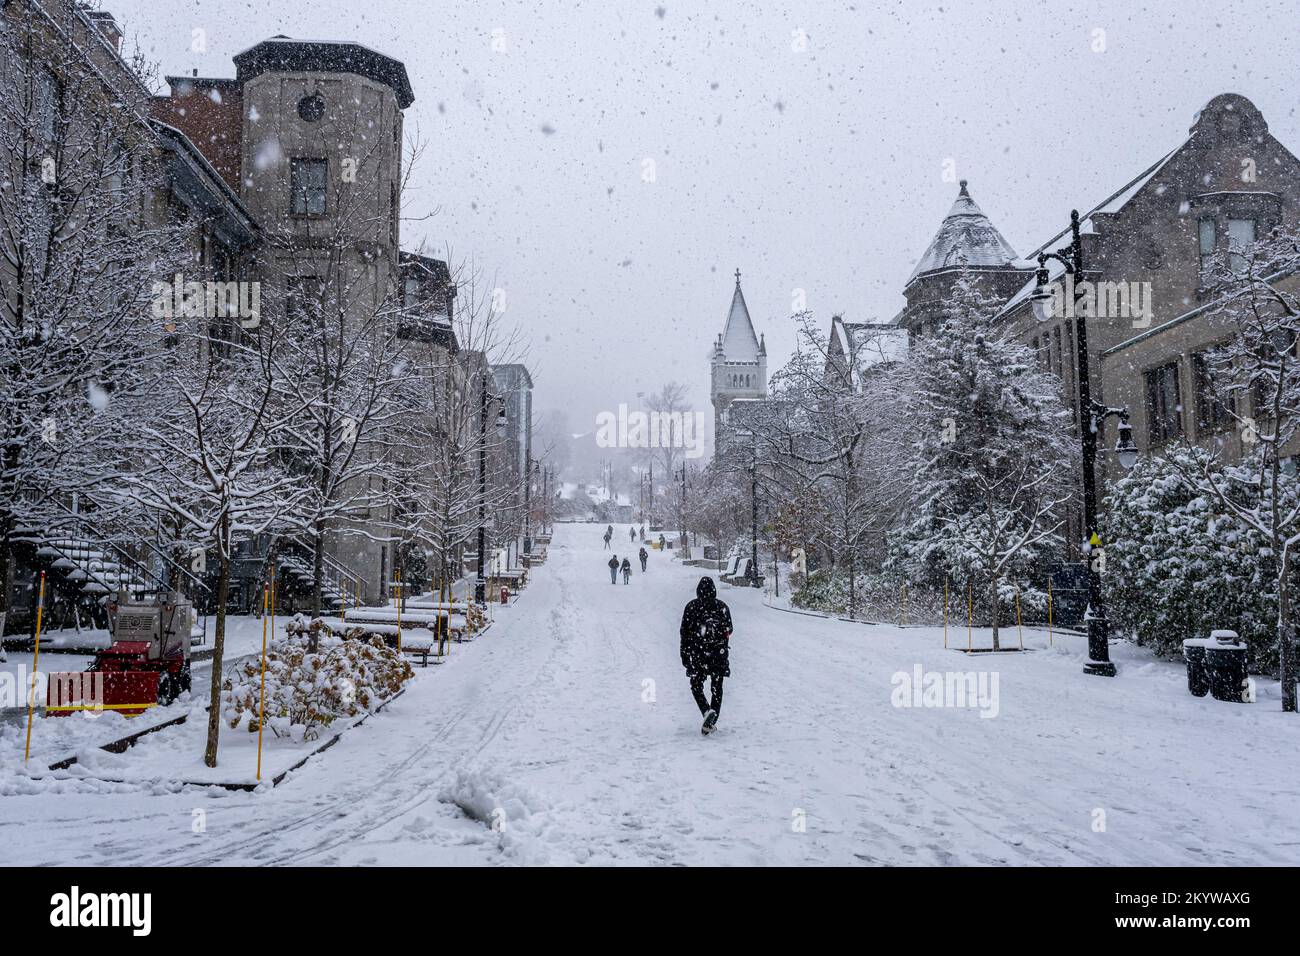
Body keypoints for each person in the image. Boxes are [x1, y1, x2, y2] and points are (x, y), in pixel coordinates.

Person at [679, 576, 732, 735]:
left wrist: (684, 653)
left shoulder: (691, 607)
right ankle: (712, 719)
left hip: (698, 653)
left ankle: (706, 710)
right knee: (717, 687)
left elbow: (685, 633)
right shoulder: (722, 607)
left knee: (696, 685)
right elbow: (729, 629)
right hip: (718, 654)